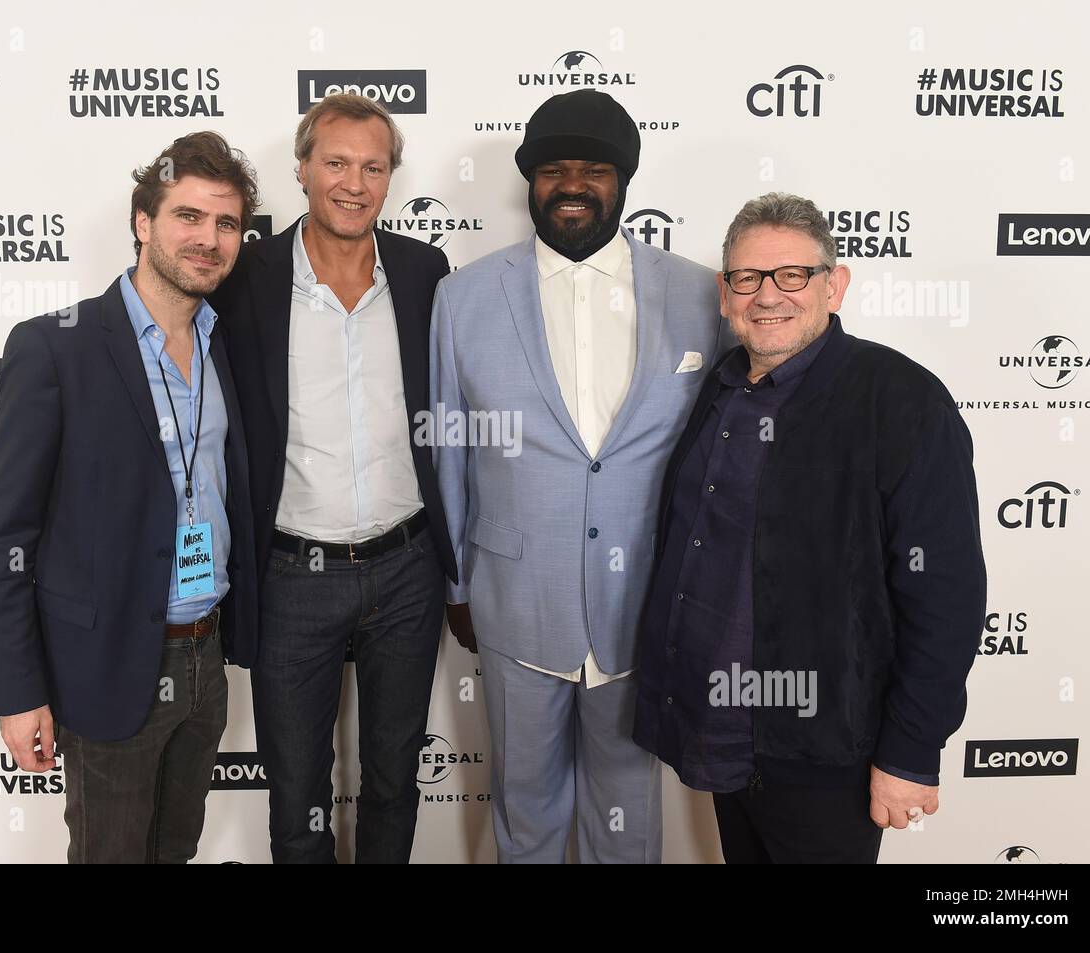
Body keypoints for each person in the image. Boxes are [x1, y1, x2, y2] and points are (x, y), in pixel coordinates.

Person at [633, 192, 986, 863]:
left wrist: (912, 750)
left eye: (791, 274)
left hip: (826, 754)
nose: (769, 295)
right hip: (723, 733)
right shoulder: (720, 387)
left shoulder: (901, 400)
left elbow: (946, 596)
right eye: (748, 277)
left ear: (835, 283)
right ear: (725, 291)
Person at [431, 89, 728, 863]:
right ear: (529, 181)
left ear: (623, 181)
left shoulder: (702, 293)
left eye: (594, 169)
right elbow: (450, 452)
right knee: (523, 814)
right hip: (513, 604)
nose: (572, 184)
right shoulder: (462, 298)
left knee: (627, 815)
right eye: (553, 168)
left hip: (646, 608)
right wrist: (458, 585)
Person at [0, 131, 260, 863]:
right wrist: (15, 689)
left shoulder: (226, 342)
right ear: (143, 221)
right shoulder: (55, 347)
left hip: (206, 657)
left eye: (226, 224)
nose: (209, 239)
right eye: (188, 217)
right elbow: (7, 532)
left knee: (175, 850)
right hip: (108, 661)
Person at [206, 94, 457, 863]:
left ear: (390, 177)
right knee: (296, 794)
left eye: (372, 166)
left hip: (409, 567)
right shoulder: (244, 275)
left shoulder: (424, 271)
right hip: (292, 574)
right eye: (337, 162)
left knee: (392, 780)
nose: (354, 182)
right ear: (304, 169)